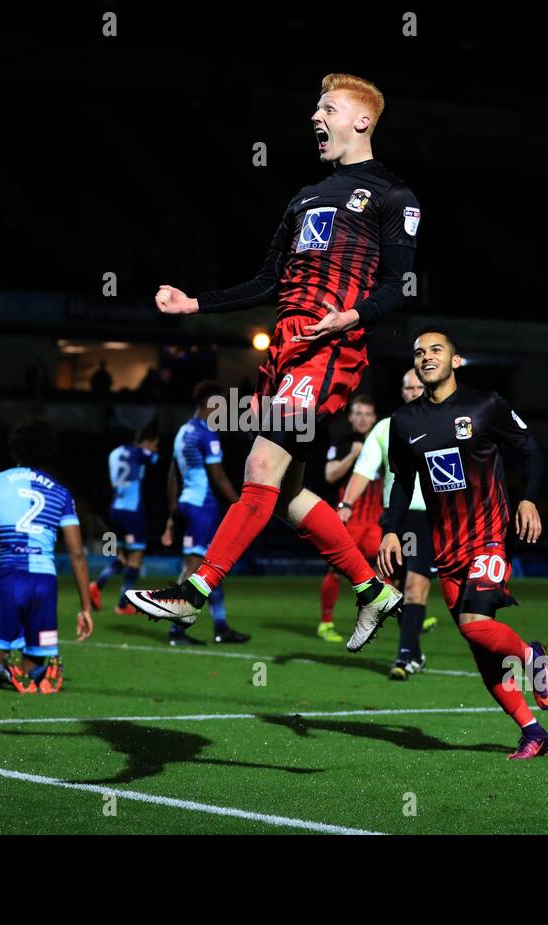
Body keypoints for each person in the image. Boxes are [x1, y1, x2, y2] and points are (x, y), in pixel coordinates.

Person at [126, 73, 421, 653]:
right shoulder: (304, 197)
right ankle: (372, 589)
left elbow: (401, 283)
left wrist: (351, 317)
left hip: (330, 347)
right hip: (286, 350)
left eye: (328, 108)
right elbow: (268, 280)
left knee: (259, 467)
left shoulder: (393, 195)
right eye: (316, 108)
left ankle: (194, 591)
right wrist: (196, 303)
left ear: (361, 121)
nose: (317, 117)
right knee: (287, 495)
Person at [377, 328, 548, 760]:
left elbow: (533, 450)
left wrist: (528, 499)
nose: (426, 357)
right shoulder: (405, 422)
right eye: (419, 352)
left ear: (456, 361)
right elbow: (404, 481)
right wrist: (388, 528)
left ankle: (533, 656)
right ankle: (533, 732)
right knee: (479, 648)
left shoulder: (486, 404)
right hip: (447, 550)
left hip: (489, 539)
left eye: (436, 350)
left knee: (477, 624)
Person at [0, 419, 93, 694]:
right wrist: (85, 607)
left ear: (14, 448)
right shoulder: (62, 493)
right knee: (33, 661)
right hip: (44, 582)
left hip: (7, 578)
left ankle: (2, 671)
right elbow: (76, 552)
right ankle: (41, 671)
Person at [342, 367, 438, 679]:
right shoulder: (386, 428)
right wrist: (346, 504)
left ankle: (404, 657)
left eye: (417, 387)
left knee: (415, 586)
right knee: (392, 588)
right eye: (407, 387)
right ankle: (415, 651)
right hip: (395, 518)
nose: (412, 392)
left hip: (429, 517)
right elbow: (363, 470)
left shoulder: (444, 423)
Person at [155, 382, 250, 645]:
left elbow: (172, 475)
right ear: (211, 404)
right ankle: (176, 629)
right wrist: (241, 505)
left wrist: (173, 514)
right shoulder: (207, 433)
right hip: (201, 508)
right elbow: (218, 476)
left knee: (212, 567)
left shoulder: (182, 432)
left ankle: (221, 627)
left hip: (186, 505)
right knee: (195, 570)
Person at [315, 396, 379, 643]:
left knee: (385, 570)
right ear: (351, 417)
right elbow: (330, 475)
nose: (362, 418)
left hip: (376, 520)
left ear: (374, 418)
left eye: (367, 414)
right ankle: (326, 622)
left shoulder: (381, 443)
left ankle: (398, 615)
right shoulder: (342, 443)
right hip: (349, 517)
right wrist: (353, 456)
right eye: (358, 414)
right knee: (338, 571)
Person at [91, 422, 160, 615]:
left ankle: (97, 585)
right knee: (136, 557)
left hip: (115, 509)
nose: (155, 448)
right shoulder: (138, 452)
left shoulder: (113, 454)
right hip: (132, 511)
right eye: (155, 444)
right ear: (146, 442)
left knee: (122, 557)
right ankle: (123, 604)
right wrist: (148, 451)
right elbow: (154, 458)